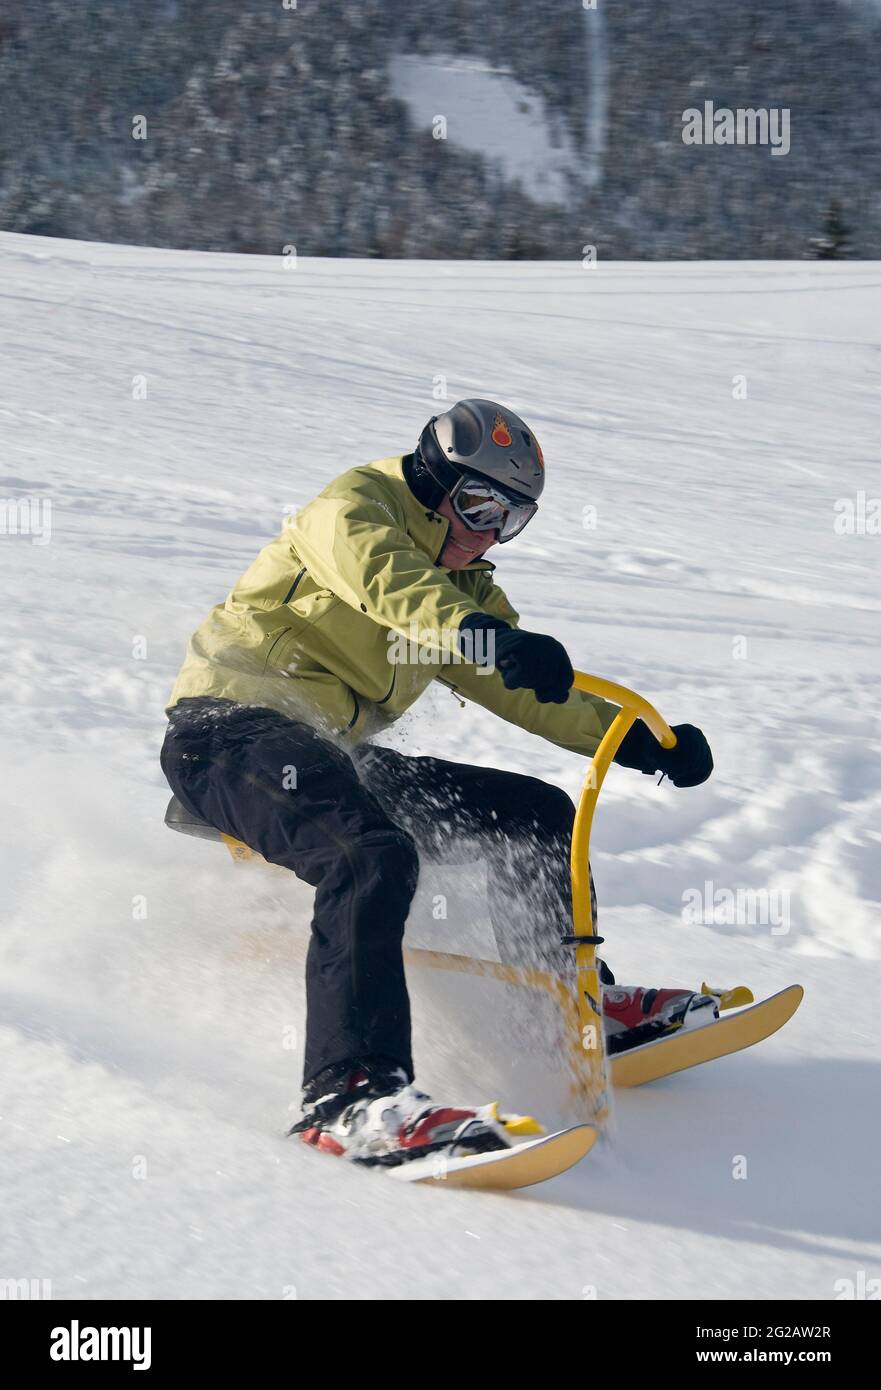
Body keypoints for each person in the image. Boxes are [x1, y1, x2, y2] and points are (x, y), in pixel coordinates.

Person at [160, 399, 714, 1165]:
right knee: (368, 855)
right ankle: (347, 1096)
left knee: (534, 812)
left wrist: (638, 742)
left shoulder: (467, 591)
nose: (488, 532)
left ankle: (565, 1005)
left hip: (333, 751)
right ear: (432, 478)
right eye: (479, 505)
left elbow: (522, 688)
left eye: (510, 520)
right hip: (227, 735)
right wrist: (477, 632)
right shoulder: (354, 508)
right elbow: (387, 584)